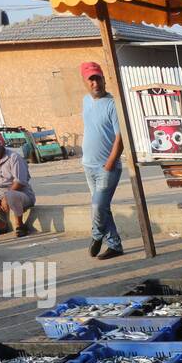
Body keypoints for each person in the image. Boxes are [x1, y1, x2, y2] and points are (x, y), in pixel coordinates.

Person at [80, 61, 125, 259]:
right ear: (85, 82)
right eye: (91, 80)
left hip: (107, 167)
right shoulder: (85, 101)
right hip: (88, 165)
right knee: (103, 207)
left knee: (98, 206)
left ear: (104, 79)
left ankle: (97, 234)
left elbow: (120, 137)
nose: (95, 83)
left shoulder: (113, 104)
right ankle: (114, 245)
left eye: (98, 78)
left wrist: (110, 163)